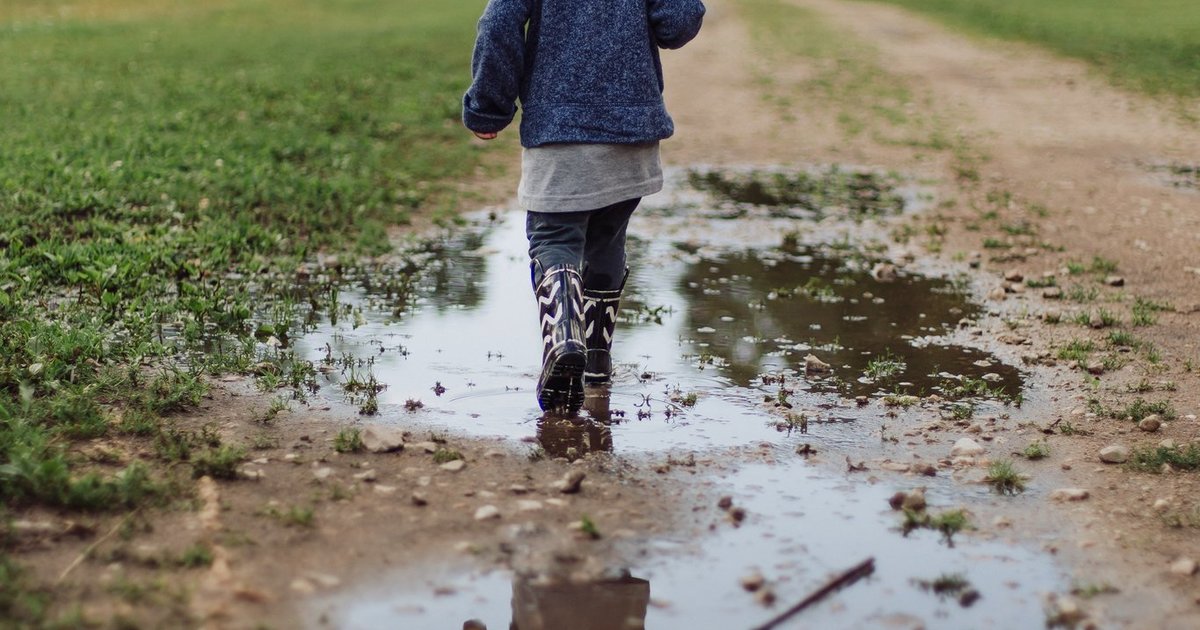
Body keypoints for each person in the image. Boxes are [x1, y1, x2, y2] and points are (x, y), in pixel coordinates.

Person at [463, 0, 706, 414]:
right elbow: (679, 23)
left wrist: (489, 106)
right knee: (607, 239)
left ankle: (563, 340)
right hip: (632, 129)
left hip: (560, 130)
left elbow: (498, 23)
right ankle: (595, 363)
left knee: (554, 236)